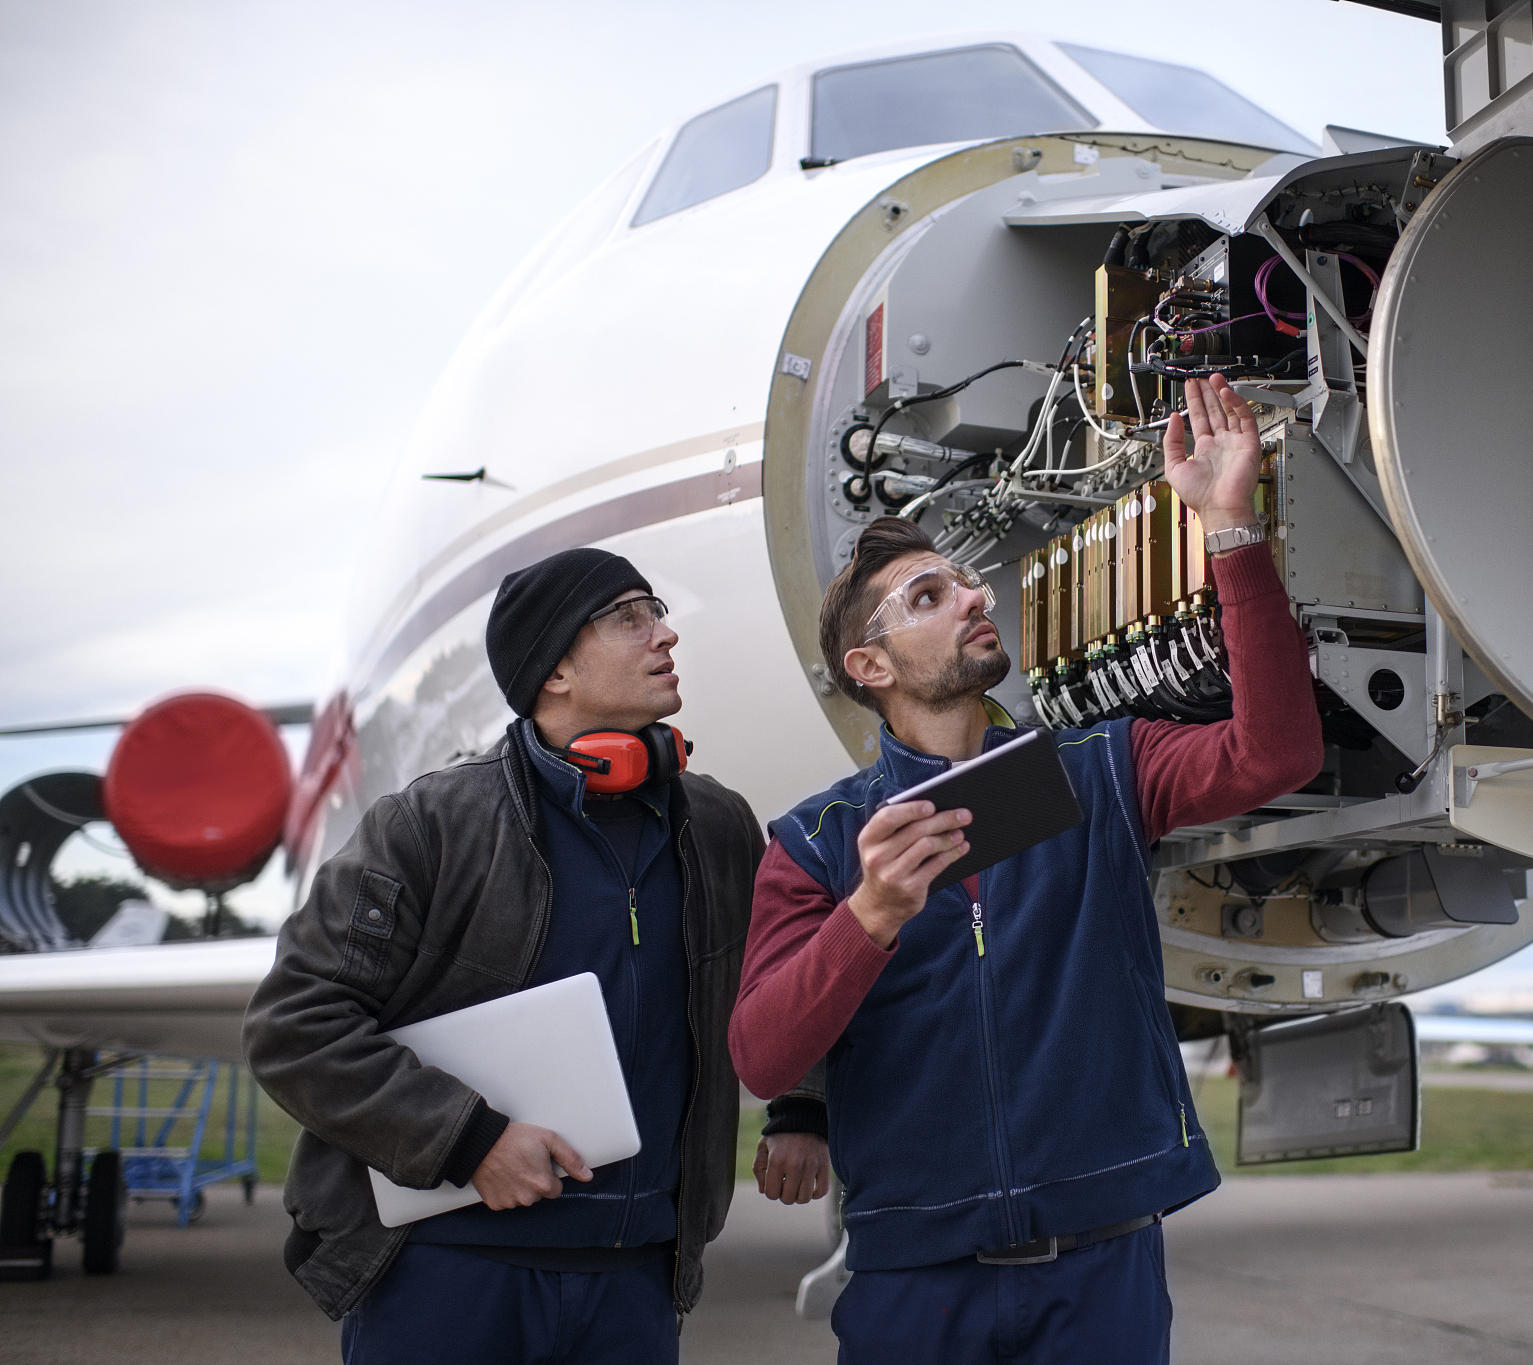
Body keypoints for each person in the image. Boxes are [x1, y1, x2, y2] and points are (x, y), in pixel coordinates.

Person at [728, 376, 1326, 1363]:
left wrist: (1230, 530)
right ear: (868, 668)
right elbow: (763, 1055)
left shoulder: (1099, 768)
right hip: (912, 1279)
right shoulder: (818, 842)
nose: (970, 595)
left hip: (1102, 1268)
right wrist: (870, 913)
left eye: (964, 581)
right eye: (928, 597)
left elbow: (1275, 756)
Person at [244, 546, 829, 1363]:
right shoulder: (429, 825)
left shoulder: (718, 824)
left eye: (655, 611)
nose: (666, 635)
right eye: (631, 617)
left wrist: (801, 1103)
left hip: (636, 1284)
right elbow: (293, 1024)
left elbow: (784, 970)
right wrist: (470, 1139)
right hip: (444, 1277)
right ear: (553, 668)